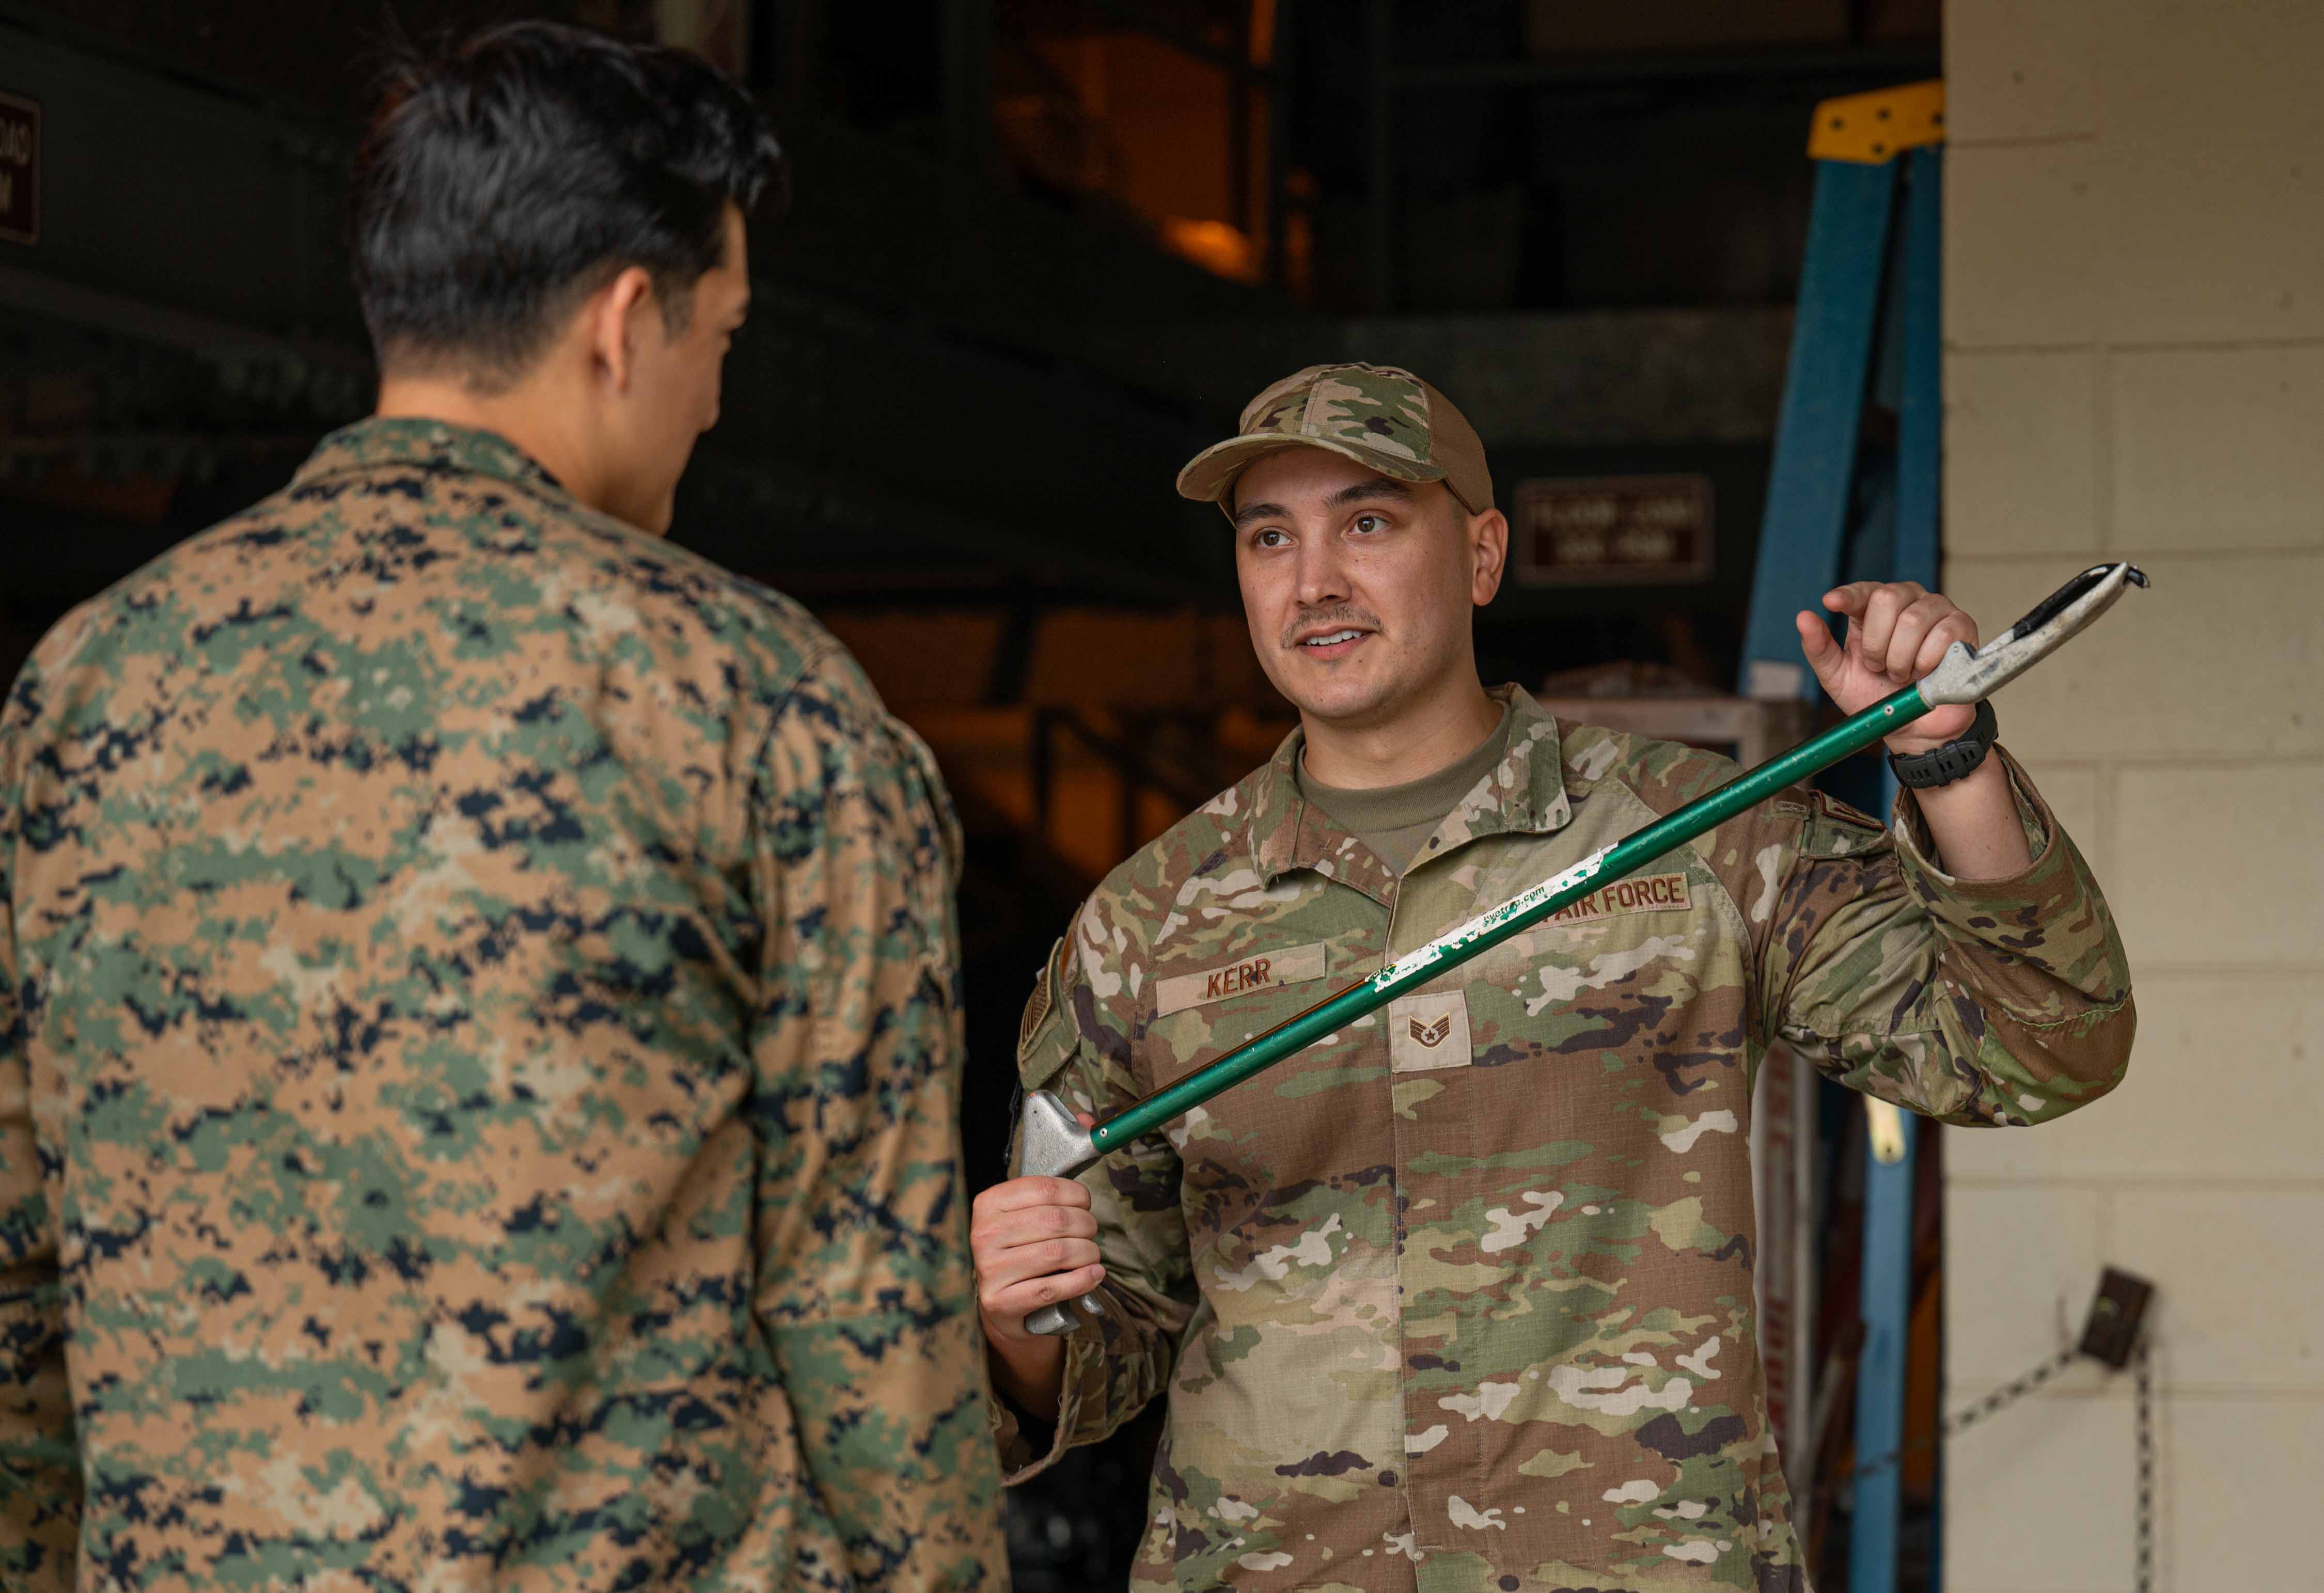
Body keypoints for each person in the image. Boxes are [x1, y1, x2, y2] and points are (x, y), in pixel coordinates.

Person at [0, 23, 1002, 1591]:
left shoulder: (84, 690)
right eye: (720, 340)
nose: (716, 404)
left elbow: (17, 1282)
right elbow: (867, 1314)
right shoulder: (756, 701)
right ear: (621, 323)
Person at [969, 363, 2133, 1592]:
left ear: (1482, 555)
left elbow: (2043, 1044)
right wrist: (1018, 1321)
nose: (1313, 581)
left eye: (1366, 523)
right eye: (1271, 537)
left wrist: (1946, 757)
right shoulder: (1149, 923)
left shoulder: (1695, 835)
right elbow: (1105, 1347)